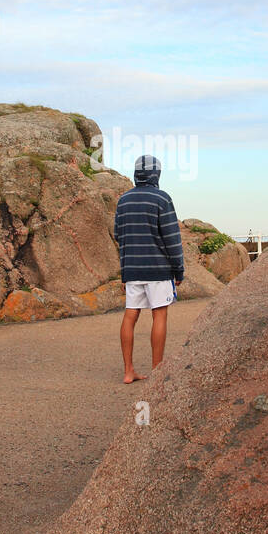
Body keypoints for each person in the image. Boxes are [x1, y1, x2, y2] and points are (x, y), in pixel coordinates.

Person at [112, 154, 185, 384]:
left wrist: (125, 271)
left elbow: (119, 236)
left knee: (130, 315)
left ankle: (128, 371)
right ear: (157, 174)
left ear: (136, 174)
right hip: (158, 269)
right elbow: (172, 238)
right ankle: (157, 371)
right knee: (159, 314)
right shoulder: (162, 199)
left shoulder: (123, 201)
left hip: (132, 269)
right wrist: (178, 270)